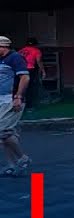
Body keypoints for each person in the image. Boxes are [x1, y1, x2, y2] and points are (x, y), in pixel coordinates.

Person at [0, 36, 32, 177]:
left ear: (3, 46)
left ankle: (22, 158)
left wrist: (18, 96)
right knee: (6, 134)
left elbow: (25, 77)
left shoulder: (15, 58)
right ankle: (12, 165)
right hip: (1, 99)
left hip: (12, 99)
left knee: (3, 131)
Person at [18, 37, 45, 117]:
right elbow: (38, 61)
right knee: (30, 87)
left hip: (20, 70)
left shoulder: (21, 50)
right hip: (30, 70)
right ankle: (29, 106)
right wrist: (43, 70)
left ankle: (20, 104)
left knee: (20, 87)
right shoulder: (36, 51)